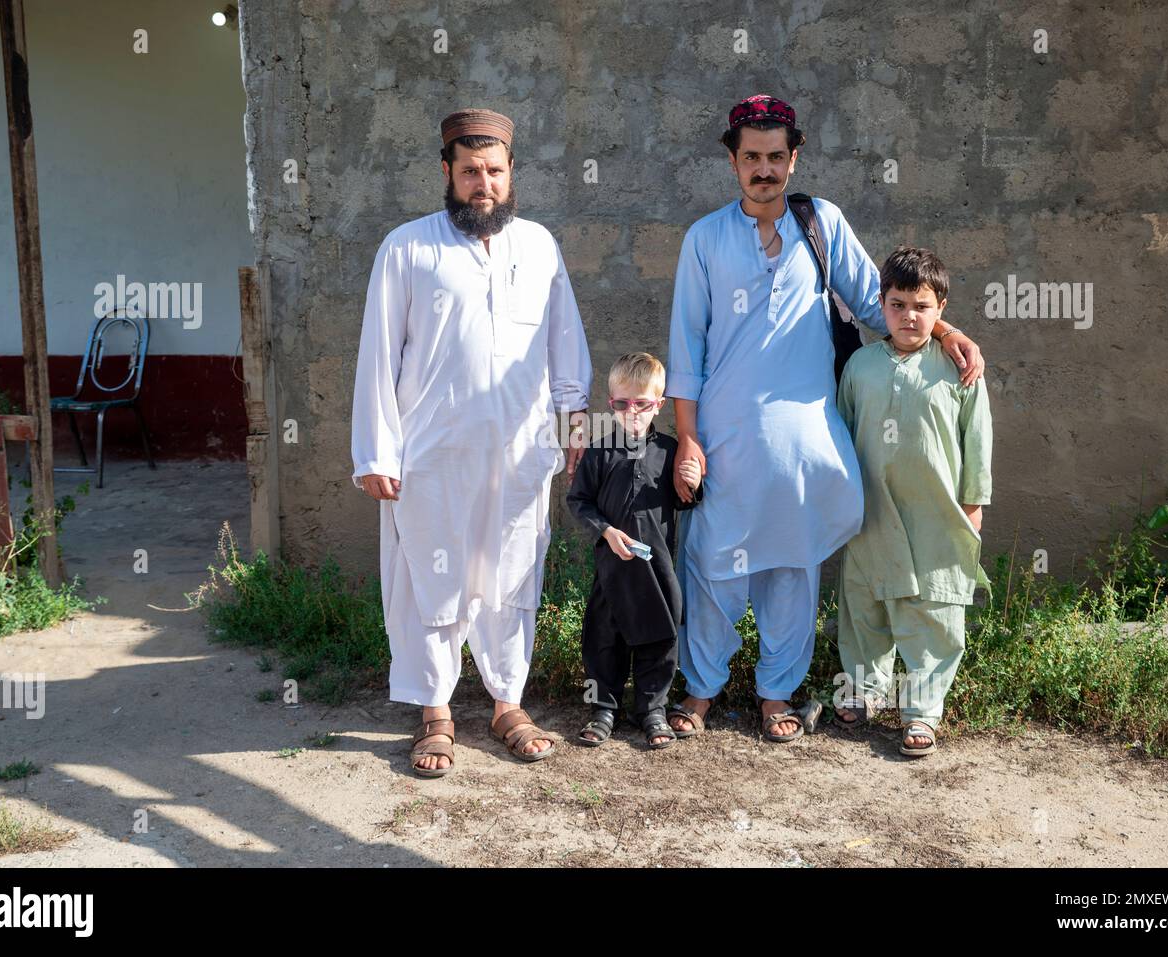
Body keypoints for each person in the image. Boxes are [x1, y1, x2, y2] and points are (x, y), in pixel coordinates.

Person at [664, 94, 986, 743]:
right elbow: (685, 346)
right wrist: (689, 438)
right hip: (726, 438)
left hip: (806, 442)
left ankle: (775, 694)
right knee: (713, 562)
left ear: (794, 157)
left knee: (792, 567)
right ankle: (700, 688)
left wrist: (946, 328)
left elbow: (880, 299)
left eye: (776, 157)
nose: (764, 169)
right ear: (733, 159)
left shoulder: (822, 223)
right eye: (751, 157)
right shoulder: (705, 239)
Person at [351, 108, 593, 777]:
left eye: (493, 171)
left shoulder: (539, 246)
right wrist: (374, 452)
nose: (481, 184)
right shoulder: (406, 248)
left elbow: (563, 337)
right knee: (430, 578)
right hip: (430, 456)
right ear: (447, 172)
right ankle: (435, 712)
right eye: (468, 172)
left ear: (511, 171)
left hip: (519, 453)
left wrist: (574, 413)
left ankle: (506, 703)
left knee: (513, 572)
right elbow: (377, 353)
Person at [834, 246, 992, 756]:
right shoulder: (860, 366)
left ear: (941, 308)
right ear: (881, 304)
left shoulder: (959, 369)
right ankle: (864, 691)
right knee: (866, 601)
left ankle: (922, 711)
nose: (909, 316)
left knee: (935, 610)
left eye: (921, 306)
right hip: (873, 509)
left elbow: (977, 442)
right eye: (898, 304)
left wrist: (973, 508)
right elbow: (844, 432)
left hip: (936, 512)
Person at [566, 353, 703, 750]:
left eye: (642, 403)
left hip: (657, 570)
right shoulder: (599, 452)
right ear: (611, 404)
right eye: (622, 403)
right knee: (603, 637)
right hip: (612, 569)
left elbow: (684, 502)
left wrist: (693, 483)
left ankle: (652, 709)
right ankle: (604, 708)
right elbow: (579, 502)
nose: (632, 412)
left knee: (660, 637)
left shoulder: (668, 450)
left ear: (658, 405)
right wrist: (606, 532)